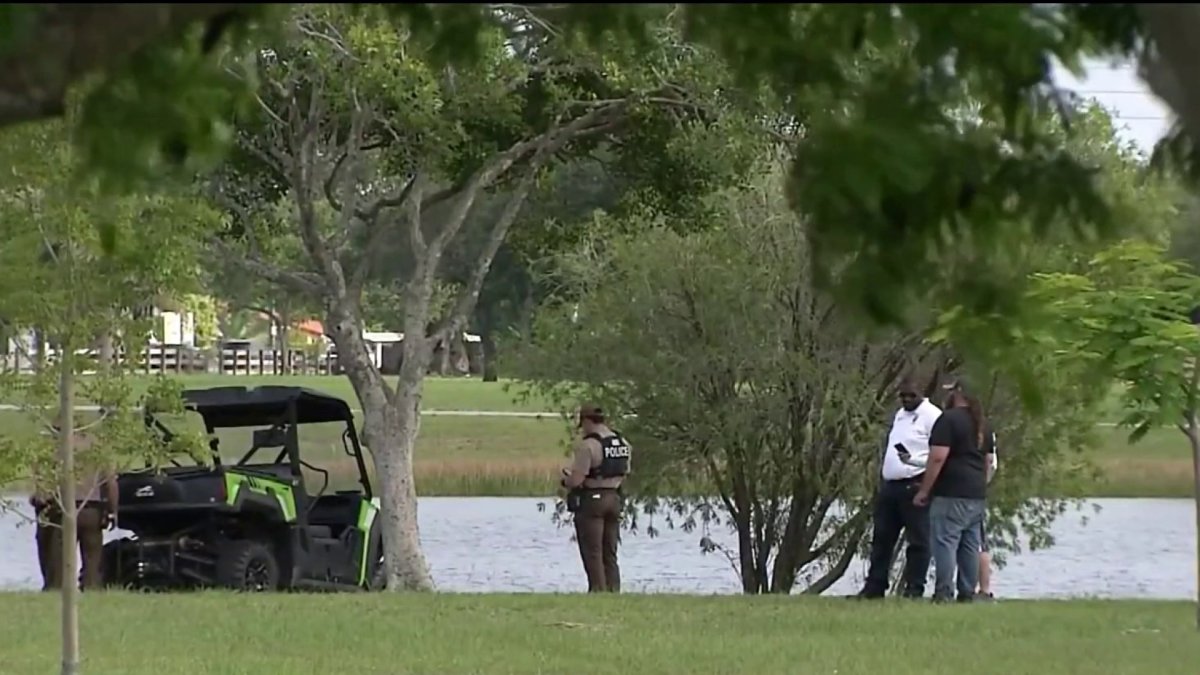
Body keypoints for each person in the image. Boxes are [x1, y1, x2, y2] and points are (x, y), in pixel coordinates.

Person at [855, 377, 942, 599]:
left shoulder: (932, 415)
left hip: (914, 483)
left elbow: (938, 453)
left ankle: (914, 589)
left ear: (921, 393)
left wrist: (926, 484)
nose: (906, 399)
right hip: (891, 485)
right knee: (882, 538)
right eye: (902, 395)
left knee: (918, 540)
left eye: (911, 395)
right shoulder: (900, 414)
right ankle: (875, 586)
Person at [913, 376, 995, 603]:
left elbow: (938, 457)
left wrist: (924, 489)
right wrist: (981, 485)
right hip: (976, 493)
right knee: (969, 544)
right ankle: (967, 591)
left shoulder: (947, 420)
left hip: (951, 491)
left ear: (959, 392)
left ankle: (943, 592)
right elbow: (988, 461)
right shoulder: (983, 424)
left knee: (945, 541)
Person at [32, 429, 119, 591]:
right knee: (92, 559)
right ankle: (91, 590)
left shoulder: (52, 449)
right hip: (92, 511)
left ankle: (56, 591)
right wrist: (112, 510)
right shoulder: (96, 447)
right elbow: (111, 482)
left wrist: (39, 503)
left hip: (61, 511)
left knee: (57, 564)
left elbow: (43, 489)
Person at [560, 404, 630, 593]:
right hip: (615, 498)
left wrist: (566, 480)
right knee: (610, 550)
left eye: (583, 424)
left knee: (593, 550)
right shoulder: (622, 442)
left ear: (587, 421)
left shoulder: (588, 445)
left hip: (593, 500)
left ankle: (597, 590)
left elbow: (577, 479)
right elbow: (625, 471)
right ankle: (614, 589)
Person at [977, 439, 999, 599]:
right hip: (975, 492)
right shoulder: (984, 430)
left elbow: (990, 463)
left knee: (977, 545)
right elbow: (991, 464)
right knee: (977, 543)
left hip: (962, 492)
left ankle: (983, 589)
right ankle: (981, 589)